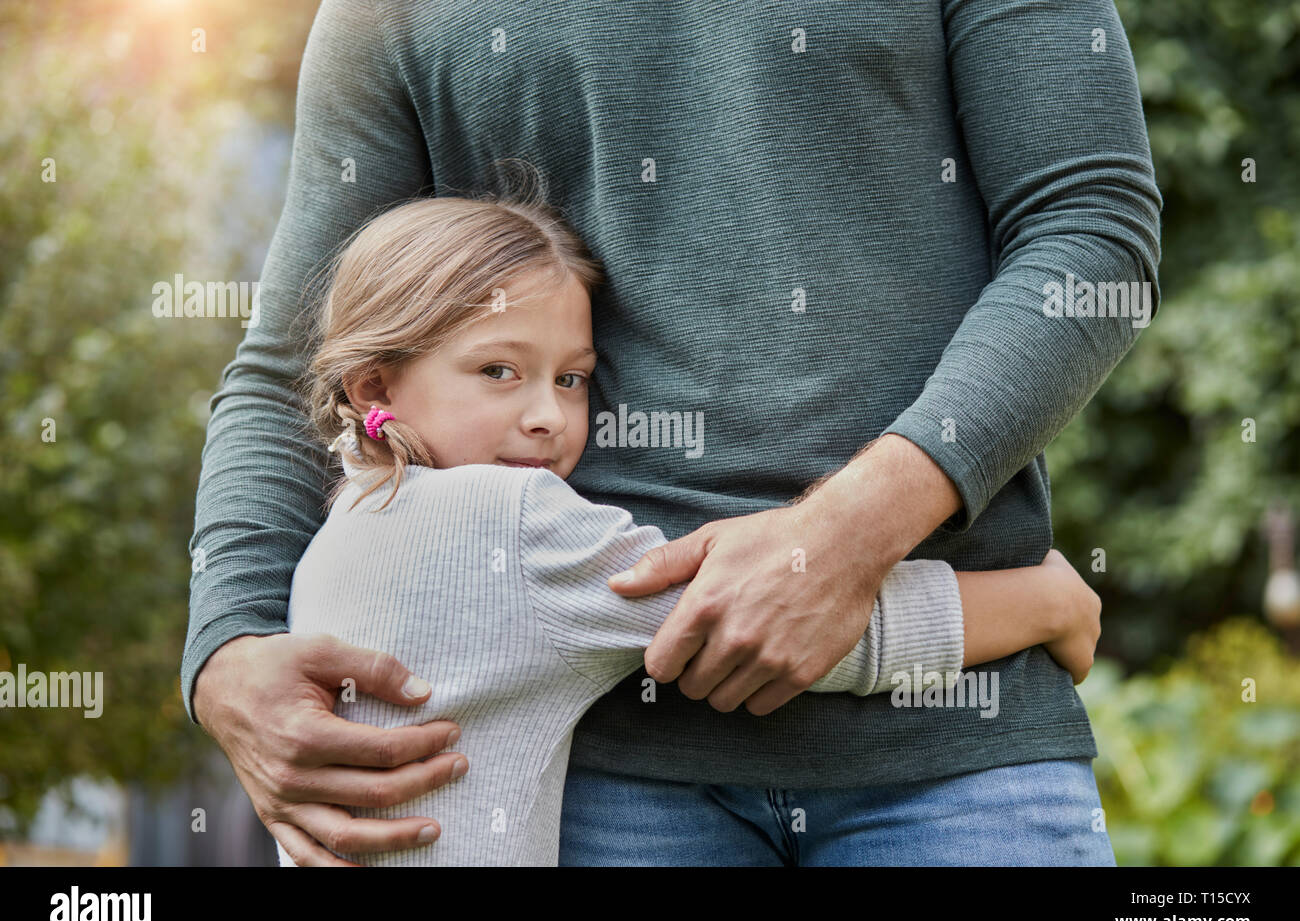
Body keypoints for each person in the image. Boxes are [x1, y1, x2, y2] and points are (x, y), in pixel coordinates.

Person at [184, 0, 1160, 866]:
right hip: (593, 775)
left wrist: (847, 536)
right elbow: (294, 361)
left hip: (958, 748)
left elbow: (1090, 234)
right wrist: (227, 651)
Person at [270, 193, 1101, 865]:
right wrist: (1046, 603)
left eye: (572, 379)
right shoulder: (507, 520)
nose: (547, 418)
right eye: (499, 371)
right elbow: (788, 619)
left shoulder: (339, 533)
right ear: (376, 382)